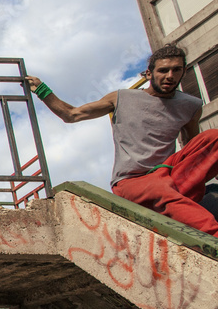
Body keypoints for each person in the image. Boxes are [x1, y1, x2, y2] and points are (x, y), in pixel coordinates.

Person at [27, 43, 218, 236]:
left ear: (183, 72)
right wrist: (42, 90)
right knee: (159, 188)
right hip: (132, 182)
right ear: (149, 74)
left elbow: (196, 147)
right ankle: (213, 234)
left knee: (213, 137)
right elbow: (72, 114)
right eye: (163, 70)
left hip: (168, 173)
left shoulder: (191, 105)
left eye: (176, 70)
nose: (169, 76)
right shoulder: (121, 98)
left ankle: (179, 200)